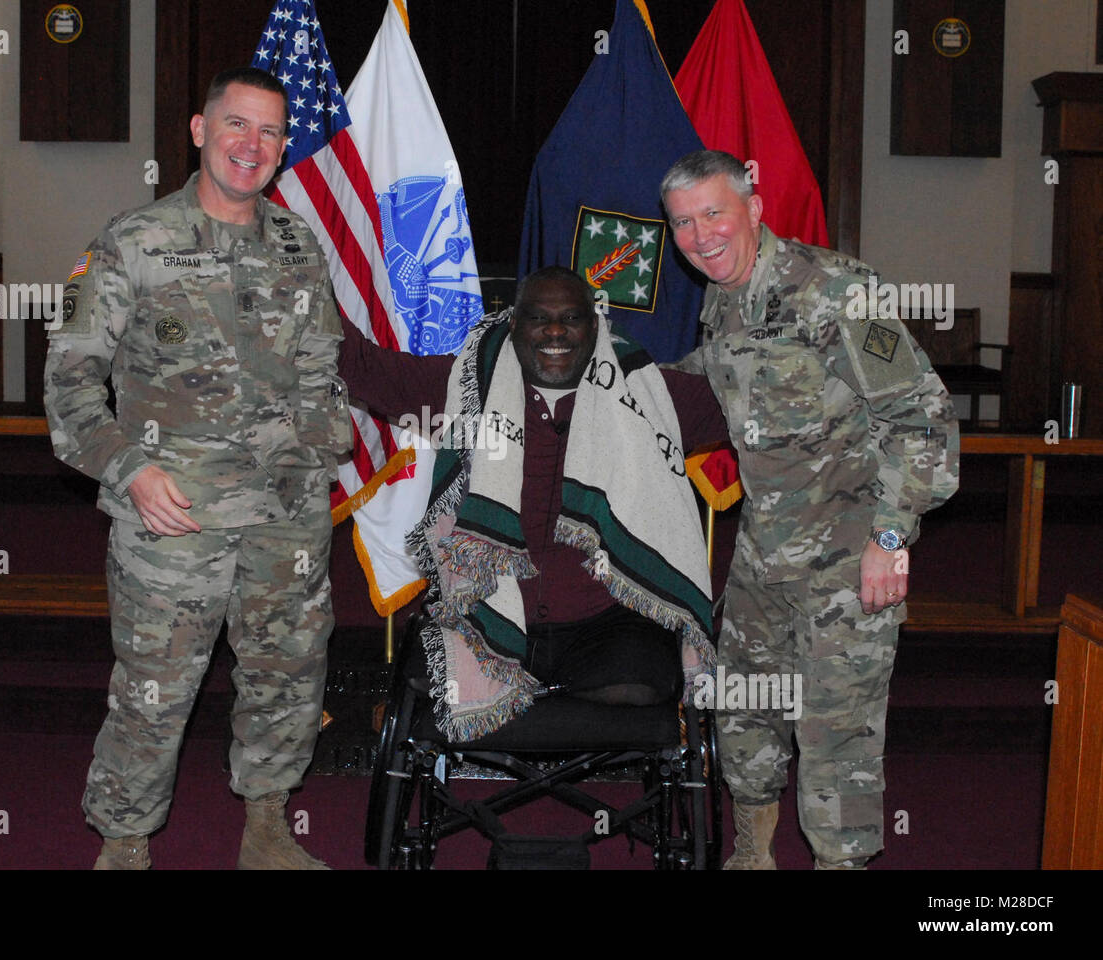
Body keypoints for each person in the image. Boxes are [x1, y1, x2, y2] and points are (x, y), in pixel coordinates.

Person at [43, 67, 351, 870]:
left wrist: (320, 448)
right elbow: (70, 381)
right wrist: (129, 474)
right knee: (154, 690)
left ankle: (268, 830)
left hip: (285, 514)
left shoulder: (297, 244)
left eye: (270, 132)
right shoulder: (131, 242)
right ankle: (124, 843)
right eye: (236, 126)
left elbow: (322, 364)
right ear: (198, 130)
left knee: (287, 677)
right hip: (173, 518)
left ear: (285, 147)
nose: (252, 146)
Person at [661, 149, 959, 869]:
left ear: (755, 209)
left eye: (713, 214)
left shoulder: (836, 291)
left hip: (846, 566)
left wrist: (890, 537)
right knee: (745, 715)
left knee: (836, 742)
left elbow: (925, 422)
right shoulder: (724, 296)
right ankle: (752, 856)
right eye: (682, 223)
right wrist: (614, 387)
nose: (700, 236)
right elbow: (713, 383)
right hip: (765, 557)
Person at [339, 266, 728, 741]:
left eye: (571, 317)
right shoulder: (465, 385)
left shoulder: (647, 394)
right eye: (538, 318)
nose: (556, 331)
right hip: (486, 611)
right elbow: (365, 368)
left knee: (642, 685)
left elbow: (743, 400)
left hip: (606, 625)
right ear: (512, 324)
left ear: (595, 325)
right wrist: (307, 282)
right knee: (427, 679)